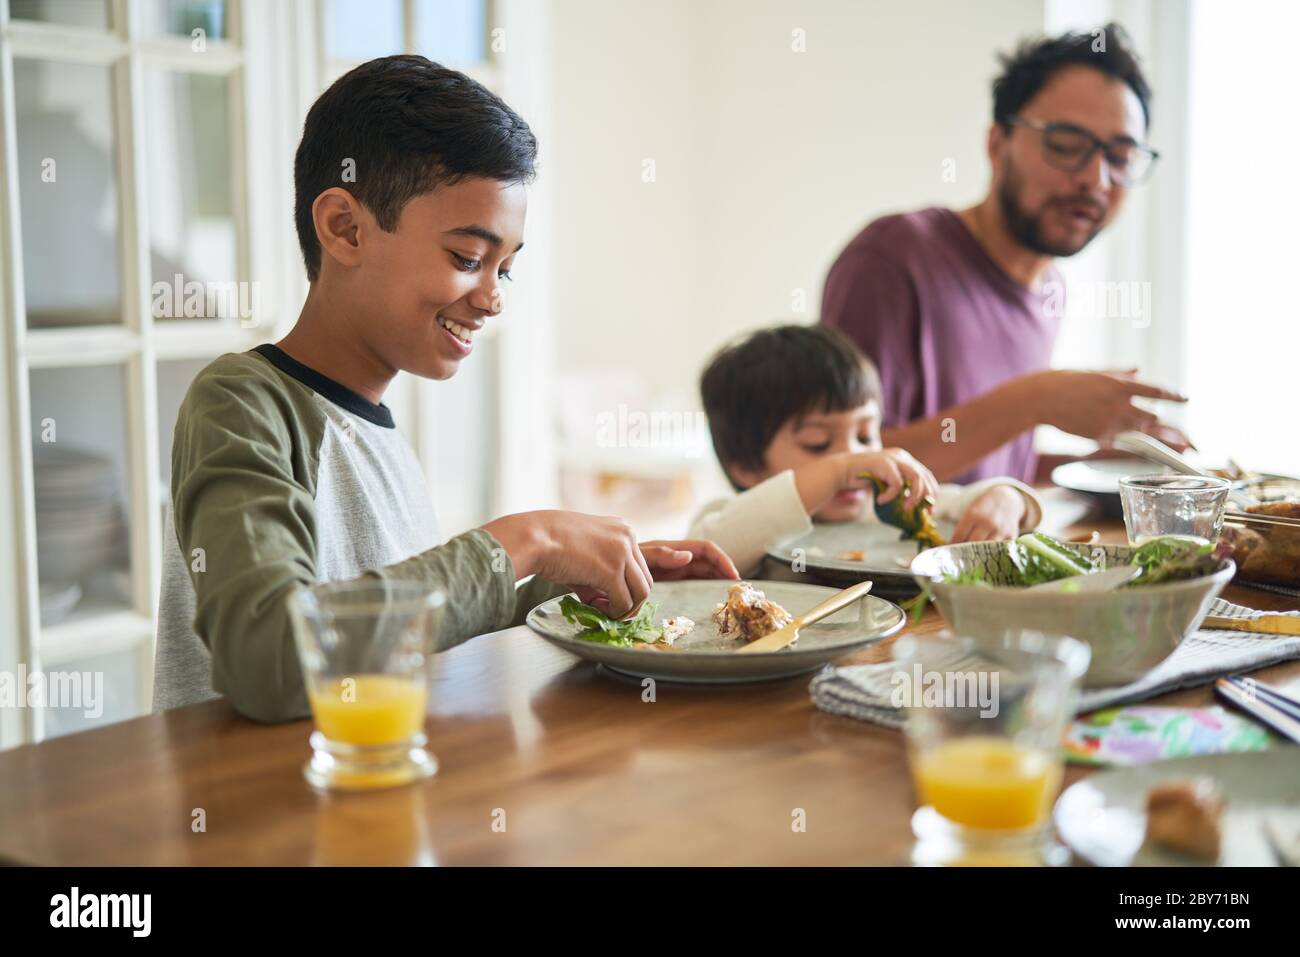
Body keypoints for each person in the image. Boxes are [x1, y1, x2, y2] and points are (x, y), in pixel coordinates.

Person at [155, 56, 737, 722]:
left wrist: (571, 588)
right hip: (260, 815)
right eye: (467, 258)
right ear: (344, 228)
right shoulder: (242, 403)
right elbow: (271, 659)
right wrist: (523, 540)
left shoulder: (374, 429)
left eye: (505, 271)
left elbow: (396, 627)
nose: (491, 299)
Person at [822, 22, 1189, 485]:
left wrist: (1112, 463)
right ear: (997, 144)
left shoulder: (1050, 288)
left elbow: (985, 465)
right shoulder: (890, 259)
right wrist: (1037, 399)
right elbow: (845, 473)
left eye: (1119, 157)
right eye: (1066, 145)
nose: (1095, 180)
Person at [689, 325, 1042, 576]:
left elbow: (965, 503)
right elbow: (710, 554)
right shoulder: (729, 519)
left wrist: (1007, 500)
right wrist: (838, 470)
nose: (857, 459)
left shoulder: (882, 512)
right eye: (818, 444)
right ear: (746, 467)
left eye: (865, 435)